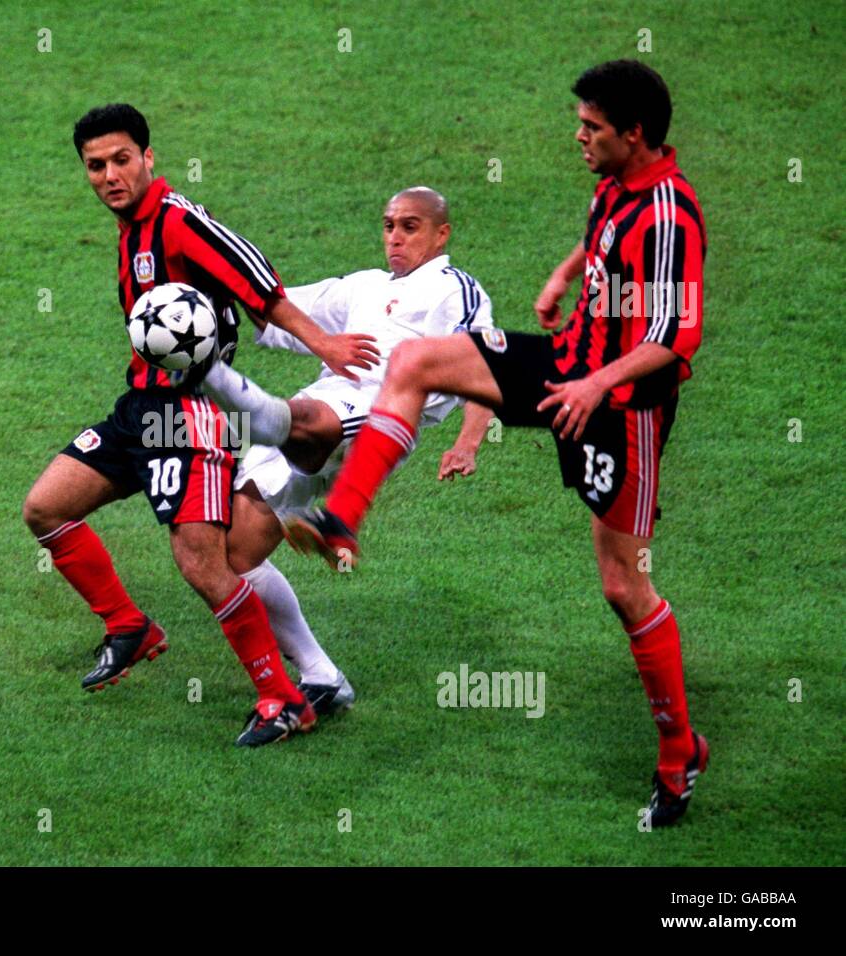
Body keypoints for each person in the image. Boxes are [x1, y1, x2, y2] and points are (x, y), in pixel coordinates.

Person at [285, 61, 710, 826]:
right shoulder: (617, 182)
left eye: (592, 128)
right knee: (413, 361)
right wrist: (565, 273)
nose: (578, 137)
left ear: (634, 134)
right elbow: (604, 246)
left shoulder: (673, 216)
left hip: (624, 410)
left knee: (623, 586)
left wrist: (593, 387)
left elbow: (676, 340)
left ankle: (679, 753)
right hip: (570, 364)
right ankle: (341, 517)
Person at [22, 103, 377, 746]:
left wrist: (324, 346)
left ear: (149, 158)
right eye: (95, 166)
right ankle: (129, 627)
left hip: (190, 419)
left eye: (121, 160)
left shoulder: (180, 222)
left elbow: (260, 285)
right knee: (46, 508)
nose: (109, 175)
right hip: (139, 410)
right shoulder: (132, 228)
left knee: (205, 566)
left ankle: (282, 697)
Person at [203, 187, 496, 714]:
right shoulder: (363, 287)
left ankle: (209, 379)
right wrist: (220, 264)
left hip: (378, 418)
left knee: (304, 421)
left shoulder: (453, 289)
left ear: (441, 233)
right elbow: (275, 307)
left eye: (410, 226)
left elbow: (486, 365)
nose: (396, 237)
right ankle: (322, 677)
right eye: (389, 226)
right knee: (234, 558)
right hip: (319, 404)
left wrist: (468, 441)